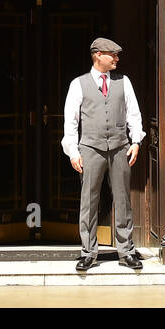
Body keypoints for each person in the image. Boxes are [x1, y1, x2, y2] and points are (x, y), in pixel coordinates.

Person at [62, 37, 145, 271]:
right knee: (89, 200)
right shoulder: (78, 84)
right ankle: (88, 253)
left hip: (120, 147)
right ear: (99, 55)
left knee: (123, 200)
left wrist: (136, 141)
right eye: (113, 54)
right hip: (90, 148)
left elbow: (134, 113)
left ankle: (126, 251)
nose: (117, 58)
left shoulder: (124, 81)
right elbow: (71, 121)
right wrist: (73, 152)